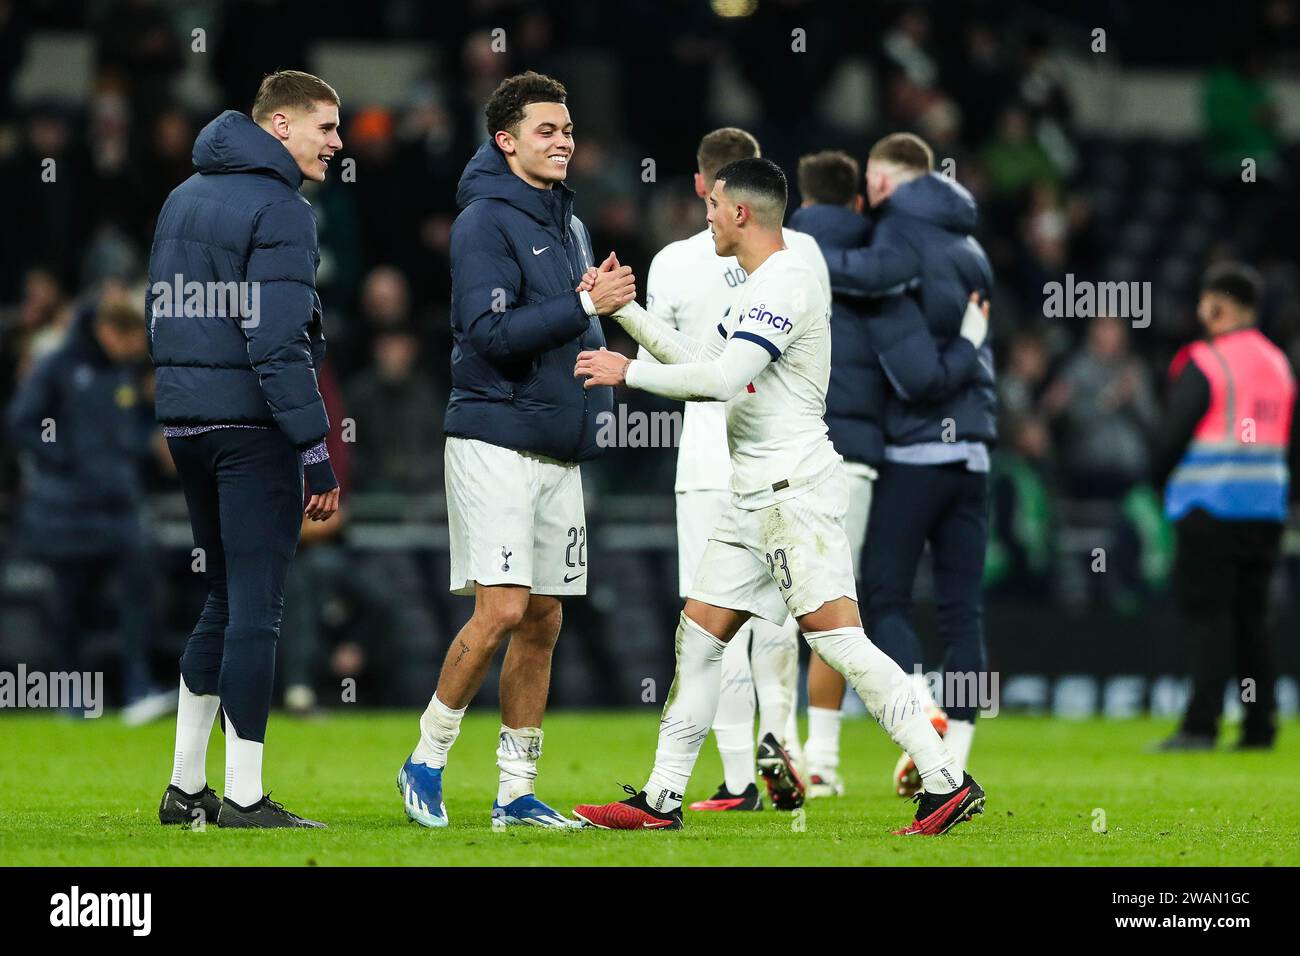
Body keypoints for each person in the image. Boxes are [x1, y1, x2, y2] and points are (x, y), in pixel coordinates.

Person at [571, 158, 984, 835]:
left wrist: (627, 373)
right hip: (752, 496)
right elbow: (702, 362)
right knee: (700, 636)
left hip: (792, 495)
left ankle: (945, 778)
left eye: (713, 206)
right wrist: (630, 316)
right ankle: (661, 798)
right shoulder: (757, 283)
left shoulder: (785, 283)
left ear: (741, 213)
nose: (704, 214)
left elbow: (724, 381)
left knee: (842, 640)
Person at [396, 71, 633, 830]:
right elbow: (488, 336)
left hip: (560, 440)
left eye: (567, 130)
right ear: (506, 140)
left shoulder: (569, 222)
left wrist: (599, 327)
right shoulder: (483, 223)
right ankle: (425, 759)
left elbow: (578, 326)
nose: (562, 141)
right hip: (495, 434)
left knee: (543, 619)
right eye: (545, 131)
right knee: (500, 609)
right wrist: (581, 306)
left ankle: (515, 793)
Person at [147, 70, 343, 829]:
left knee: (224, 597)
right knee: (258, 610)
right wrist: (313, 447)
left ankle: (185, 787)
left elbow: (162, 312)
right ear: (279, 125)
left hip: (187, 426)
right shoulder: (283, 209)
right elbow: (277, 340)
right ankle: (247, 797)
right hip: (252, 429)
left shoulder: (183, 195)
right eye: (324, 127)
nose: (336, 142)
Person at [787, 149, 987, 797]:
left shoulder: (892, 241)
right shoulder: (969, 243)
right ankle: (945, 755)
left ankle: (812, 752)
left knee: (862, 602)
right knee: (957, 611)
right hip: (970, 450)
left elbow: (919, 369)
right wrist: (972, 344)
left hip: (898, 452)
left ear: (881, 183)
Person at [639, 128, 825, 814]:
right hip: (786, 460)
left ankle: (739, 778)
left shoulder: (670, 263)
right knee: (781, 618)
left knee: (710, 625)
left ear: (704, 187)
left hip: (707, 461)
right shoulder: (801, 254)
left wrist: (622, 353)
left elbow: (681, 368)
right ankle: (786, 741)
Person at [5, 287, 171, 722]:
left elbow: (127, 432)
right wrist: (64, 460)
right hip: (65, 510)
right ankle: (71, 698)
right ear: (109, 332)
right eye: (132, 340)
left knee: (140, 585)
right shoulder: (56, 368)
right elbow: (23, 422)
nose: (137, 350)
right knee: (68, 604)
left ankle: (137, 688)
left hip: (118, 508)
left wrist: (144, 446)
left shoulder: (122, 376)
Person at [1152, 263, 1297, 751]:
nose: (1199, 311)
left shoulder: (1206, 360)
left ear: (1219, 306)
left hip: (1209, 505)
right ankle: (1261, 726)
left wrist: (1158, 482)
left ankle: (1201, 725)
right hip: (1266, 509)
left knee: (1210, 616)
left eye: (1205, 302)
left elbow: (1171, 436)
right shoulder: (1280, 363)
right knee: (1254, 619)